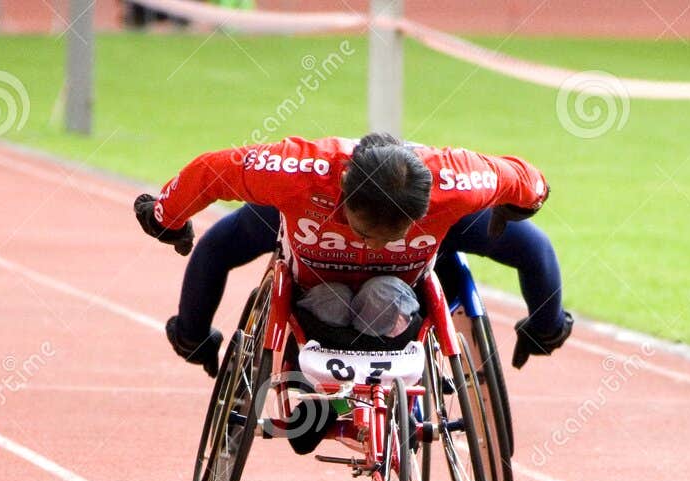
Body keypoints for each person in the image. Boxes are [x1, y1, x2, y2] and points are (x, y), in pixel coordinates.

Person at [134, 133, 573, 380]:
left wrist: (546, 327)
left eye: (395, 235)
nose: (376, 247)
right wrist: (164, 217)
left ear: (425, 208)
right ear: (342, 196)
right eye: (365, 233)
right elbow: (210, 175)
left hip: (403, 301)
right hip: (313, 303)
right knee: (258, 250)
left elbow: (529, 188)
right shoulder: (299, 177)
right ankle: (306, 379)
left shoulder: (452, 186)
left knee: (391, 291)